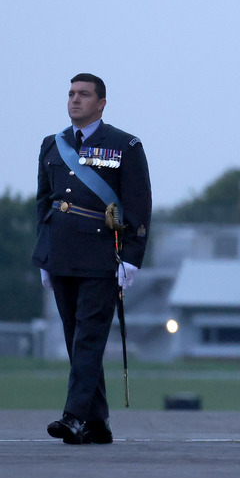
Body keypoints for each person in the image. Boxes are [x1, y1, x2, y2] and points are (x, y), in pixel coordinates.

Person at [34, 73, 152, 445]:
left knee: (88, 339)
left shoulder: (124, 145)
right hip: (62, 254)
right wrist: (44, 254)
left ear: (101, 103)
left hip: (103, 256)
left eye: (84, 94)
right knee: (75, 340)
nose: (75, 100)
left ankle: (73, 418)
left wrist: (131, 258)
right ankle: (98, 423)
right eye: (71, 94)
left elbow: (139, 205)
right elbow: (44, 203)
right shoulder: (52, 144)